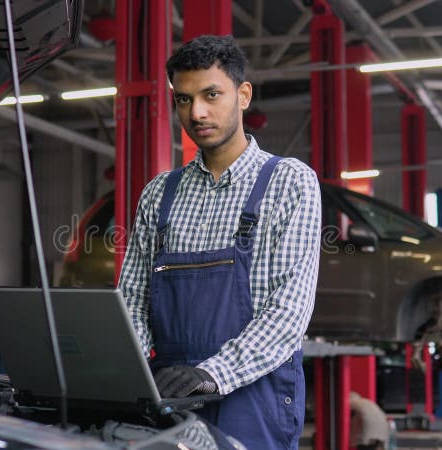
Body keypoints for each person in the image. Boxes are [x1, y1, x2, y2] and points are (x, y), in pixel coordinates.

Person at [118, 34, 321, 450]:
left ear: (243, 95)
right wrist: (131, 372)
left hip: (254, 398)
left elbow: (289, 312)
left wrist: (213, 374)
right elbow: (133, 299)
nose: (197, 112)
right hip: (170, 395)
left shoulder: (289, 183)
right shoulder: (159, 193)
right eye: (183, 99)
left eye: (212, 94)